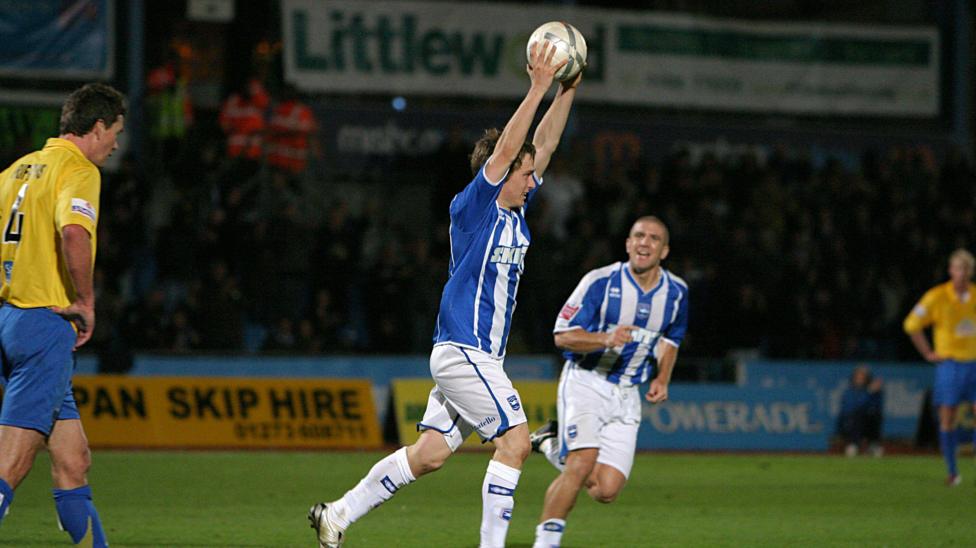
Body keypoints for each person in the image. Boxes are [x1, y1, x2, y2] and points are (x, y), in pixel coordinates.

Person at [308, 42, 579, 548]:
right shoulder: (474, 207)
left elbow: (540, 147)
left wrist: (566, 92)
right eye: (524, 175)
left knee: (429, 453)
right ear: (498, 176)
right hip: (464, 350)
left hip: (476, 357)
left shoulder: (513, 209)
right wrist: (537, 87)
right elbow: (509, 154)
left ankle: (337, 513)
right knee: (516, 444)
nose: (533, 180)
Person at [0, 82, 125, 546]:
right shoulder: (78, 169)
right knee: (10, 465)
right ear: (96, 128)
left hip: (9, 319)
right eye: (115, 131)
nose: (115, 143)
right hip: (45, 322)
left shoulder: (17, 170)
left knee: (74, 460)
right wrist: (86, 302)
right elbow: (75, 232)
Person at [529, 216, 688, 548]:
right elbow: (562, 336)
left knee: (606, 490)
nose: (644, 243)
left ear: (664, 250)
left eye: (654, 238)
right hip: (586, 382)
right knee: (580, 464)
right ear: (628, 244)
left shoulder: (676, 293)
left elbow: (671, 339)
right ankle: (546, 542)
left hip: (627, 393)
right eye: (638, 236)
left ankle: (549, 441)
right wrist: (605, 338)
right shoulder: (599, 281)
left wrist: (662, 376)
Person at [903, 248, 976, 486]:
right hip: (950, 364)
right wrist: (927, 352)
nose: (962, 274)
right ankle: (953, 472)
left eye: (966, 269)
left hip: (974, 362)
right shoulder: (937, 297)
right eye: (958, 268)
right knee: (948, 416)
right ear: (950, 271)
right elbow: (911, 325)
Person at [837, 365, 884, 457]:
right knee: (856, 415)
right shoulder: (849, 391)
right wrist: (868, 392)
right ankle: (853, 444)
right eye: (858, 376)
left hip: (868, 423)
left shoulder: (875, 392)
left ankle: (873, 445)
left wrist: (873, 391)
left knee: (873, 414)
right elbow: (852, 407)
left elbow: (877, 407)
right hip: (851, 423)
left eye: (863, 376)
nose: (860, 378)